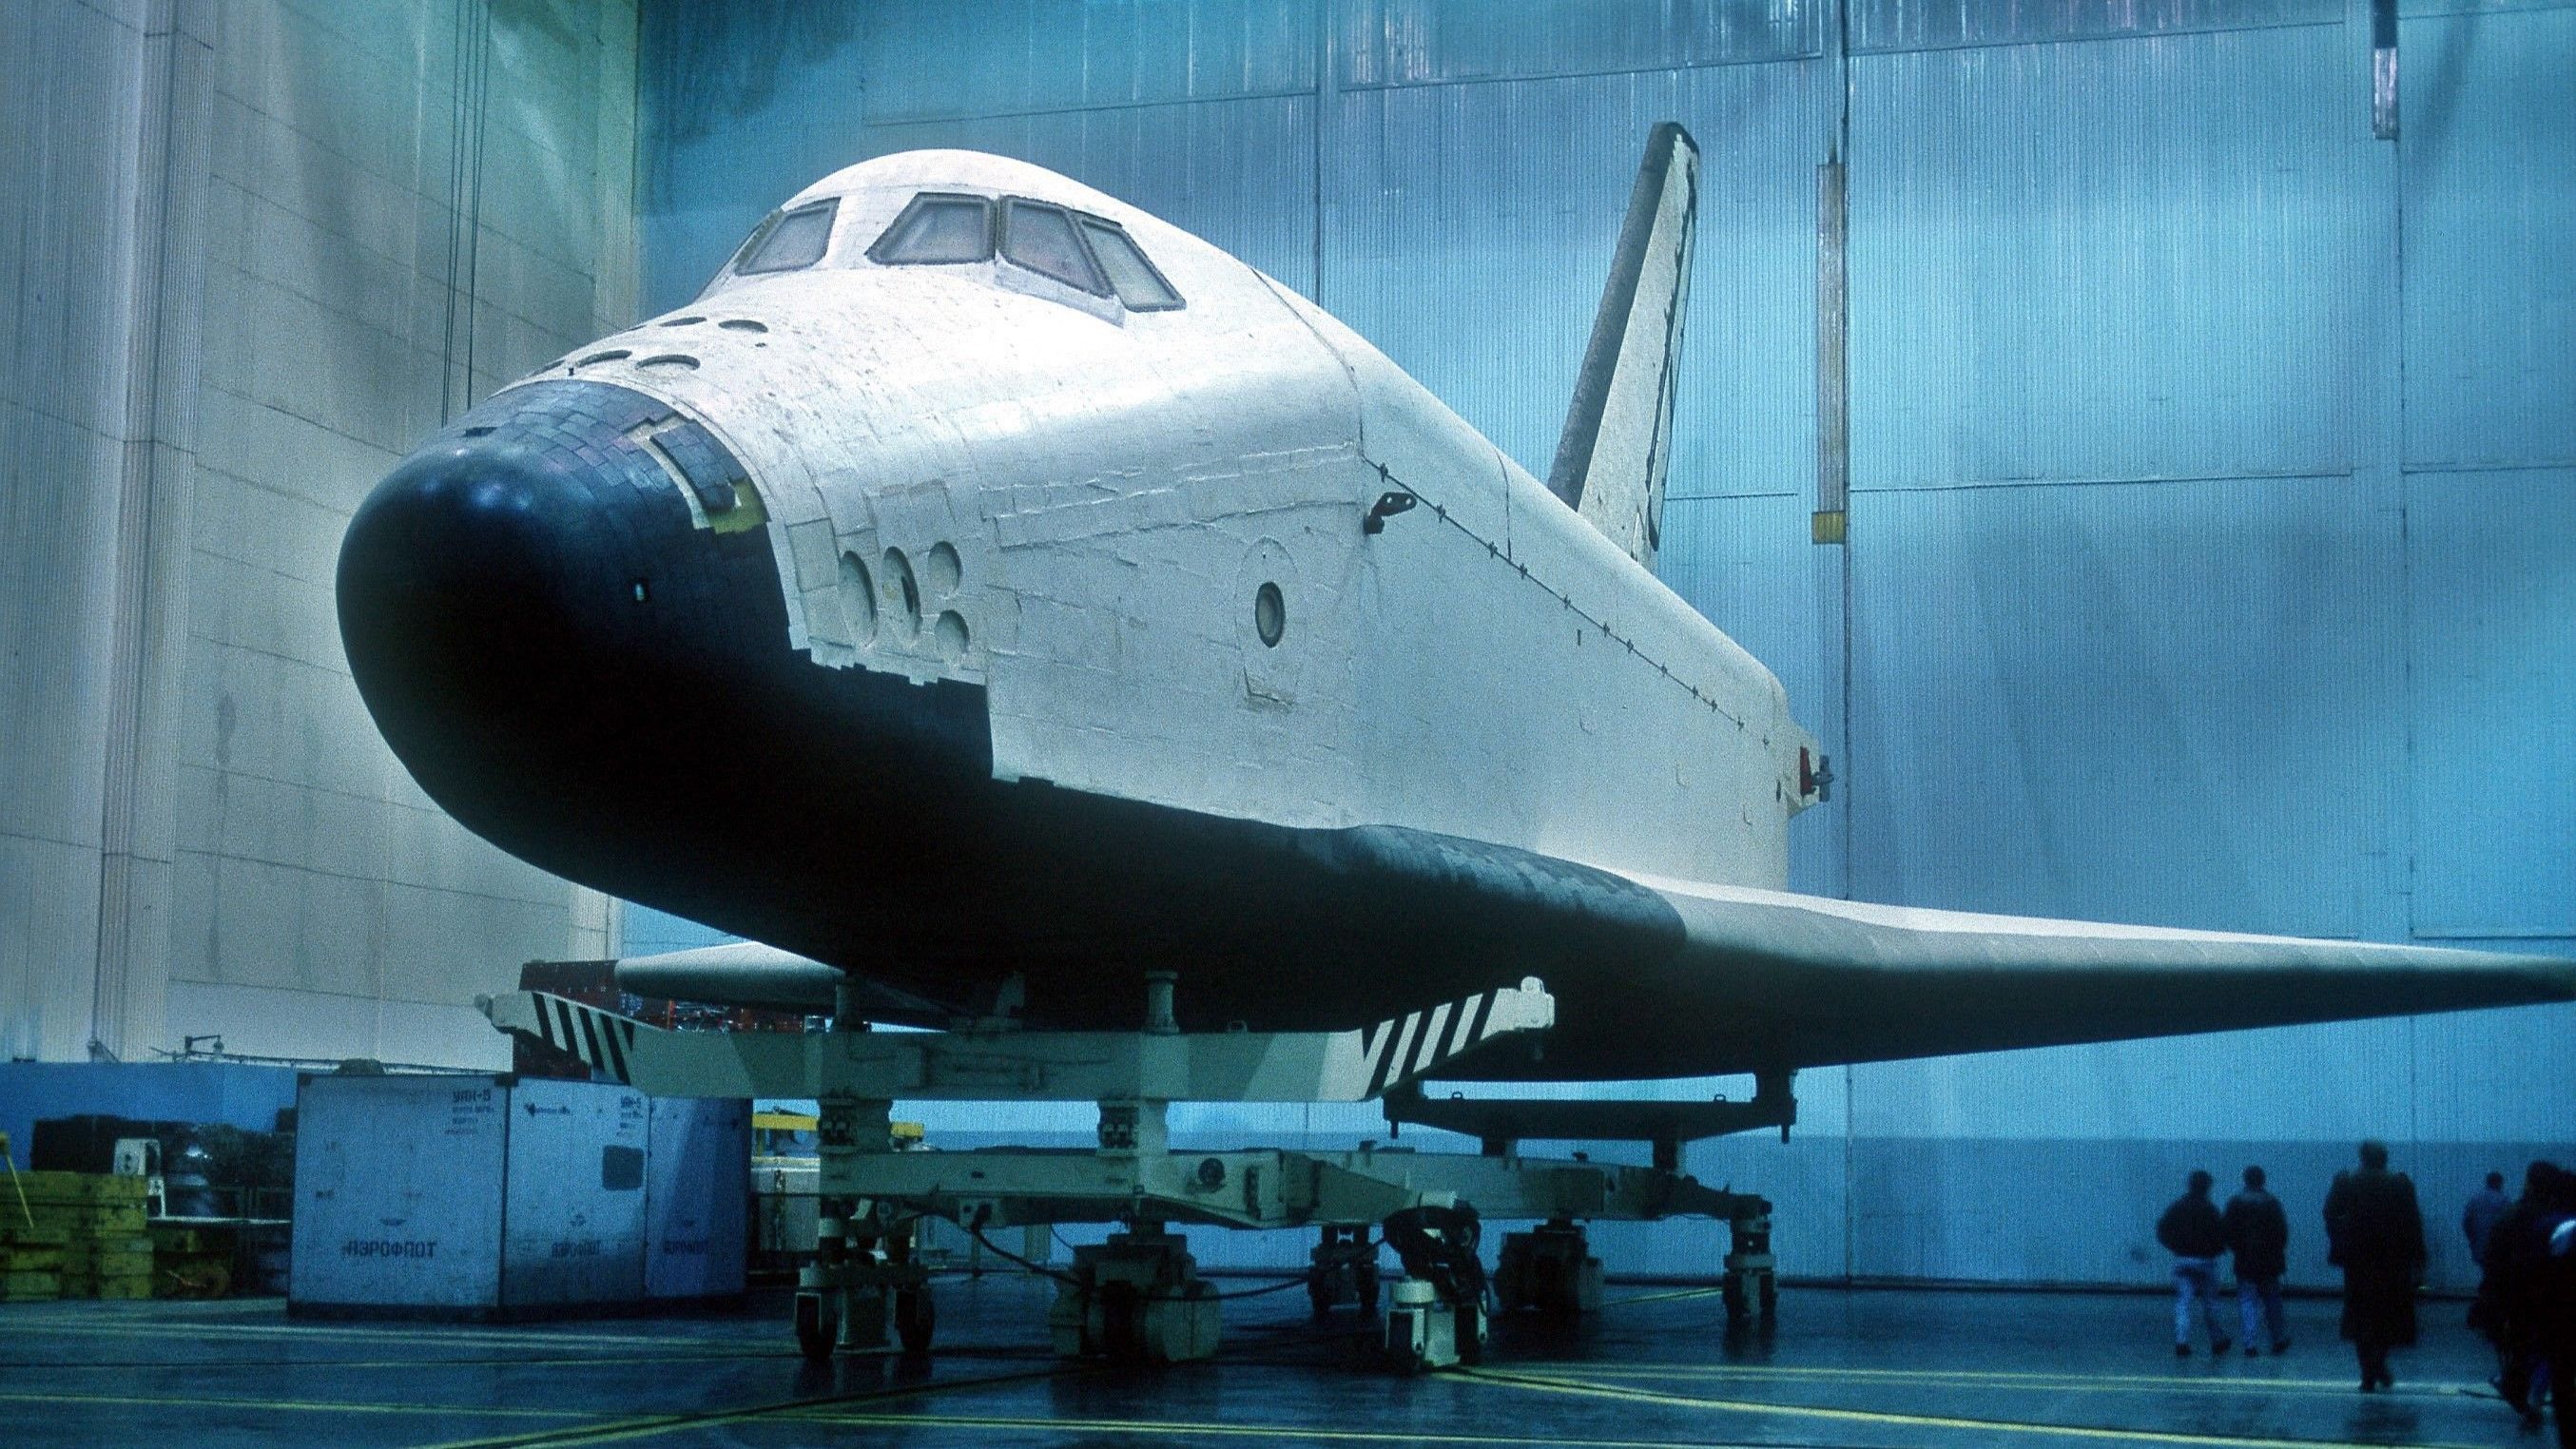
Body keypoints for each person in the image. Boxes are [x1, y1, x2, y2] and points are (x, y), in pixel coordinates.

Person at [2323, 1139, 2426, 1392]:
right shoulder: (2400, 1184)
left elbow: (2329, 1212)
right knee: (2389, 1315)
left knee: (2360, 1315)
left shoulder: (2346, 1182)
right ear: (2385, 1158)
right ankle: (2377, 1361)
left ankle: (2368, 1371)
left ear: (2362, 1158)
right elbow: (2413, 1223)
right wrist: (2419, 1257)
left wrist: (2342, 1239)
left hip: (2358, 1261)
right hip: (2393, 1261)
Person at [2482, 1162, 2566, 1431]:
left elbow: (2492, 1257)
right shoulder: (2558, 1217)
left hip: (2515, 1295)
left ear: (2528, 1183)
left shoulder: (2512, 1214)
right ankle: (2532, 1396)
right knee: (2549, 1350)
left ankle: (2516, 1387)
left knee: (2521, 1347)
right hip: (2551, 1295)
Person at [2159, 1169, 2233, 1356]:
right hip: (2206, 1261)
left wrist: (2175, 1247)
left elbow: (2163, 1230)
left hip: (2183, 1260)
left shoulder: (2177, 1206)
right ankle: (2217, 1340)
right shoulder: (2211, 1209)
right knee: (2211, 1303)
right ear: (2207, 1187)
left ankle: (2181, 1341)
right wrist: (2217, 1249)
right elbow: (2221, 1235)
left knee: (2183, 1303)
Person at [2225, 1166, 2292, 1356]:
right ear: (2263, 1180)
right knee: (2272, 1301)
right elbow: (2282, 1232)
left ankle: (2250, 1344)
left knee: (2247, 1301)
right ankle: (2277, 1339)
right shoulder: (2272, 1202)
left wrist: (2238, 1248)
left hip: (2245, 1260)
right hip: (2270, 1261)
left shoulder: (2235, 1202)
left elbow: (2228, 1231)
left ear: (2245, 1180)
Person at [2466, 1170, 2513, 1268]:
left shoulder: (2475, 1199)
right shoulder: (2504, 1200)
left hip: (2480, 1244)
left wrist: (2473, 1238)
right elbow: (2511, 1222)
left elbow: (2466, 1222)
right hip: (2499, 1245)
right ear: (2499, 1183)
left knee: (2486, 1270)